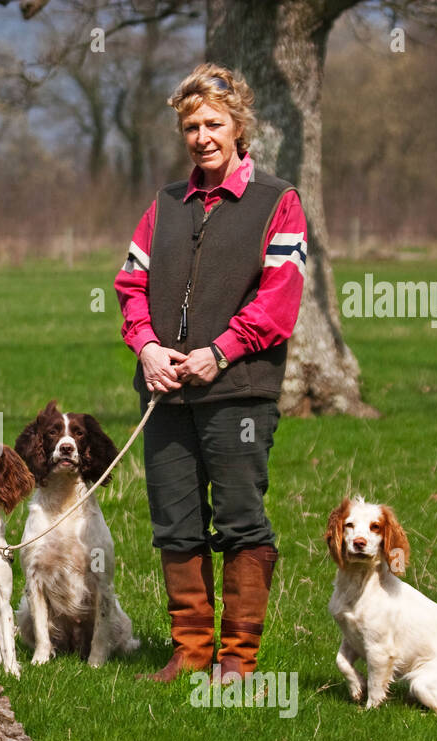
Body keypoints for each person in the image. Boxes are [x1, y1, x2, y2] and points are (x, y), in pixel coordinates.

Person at [114, 63, 307, 685]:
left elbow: (278, 302)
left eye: (214, 123)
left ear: (239, 126)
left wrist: (219, 352)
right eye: (191, 126)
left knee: (240, 518)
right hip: (165, 394)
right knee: (174, 519)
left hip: (238, 392)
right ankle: (191, 650)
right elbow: (130, 285)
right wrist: (146, 347)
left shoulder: (278, 201)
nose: (202, 136)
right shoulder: (164, 206)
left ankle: (238, 661)